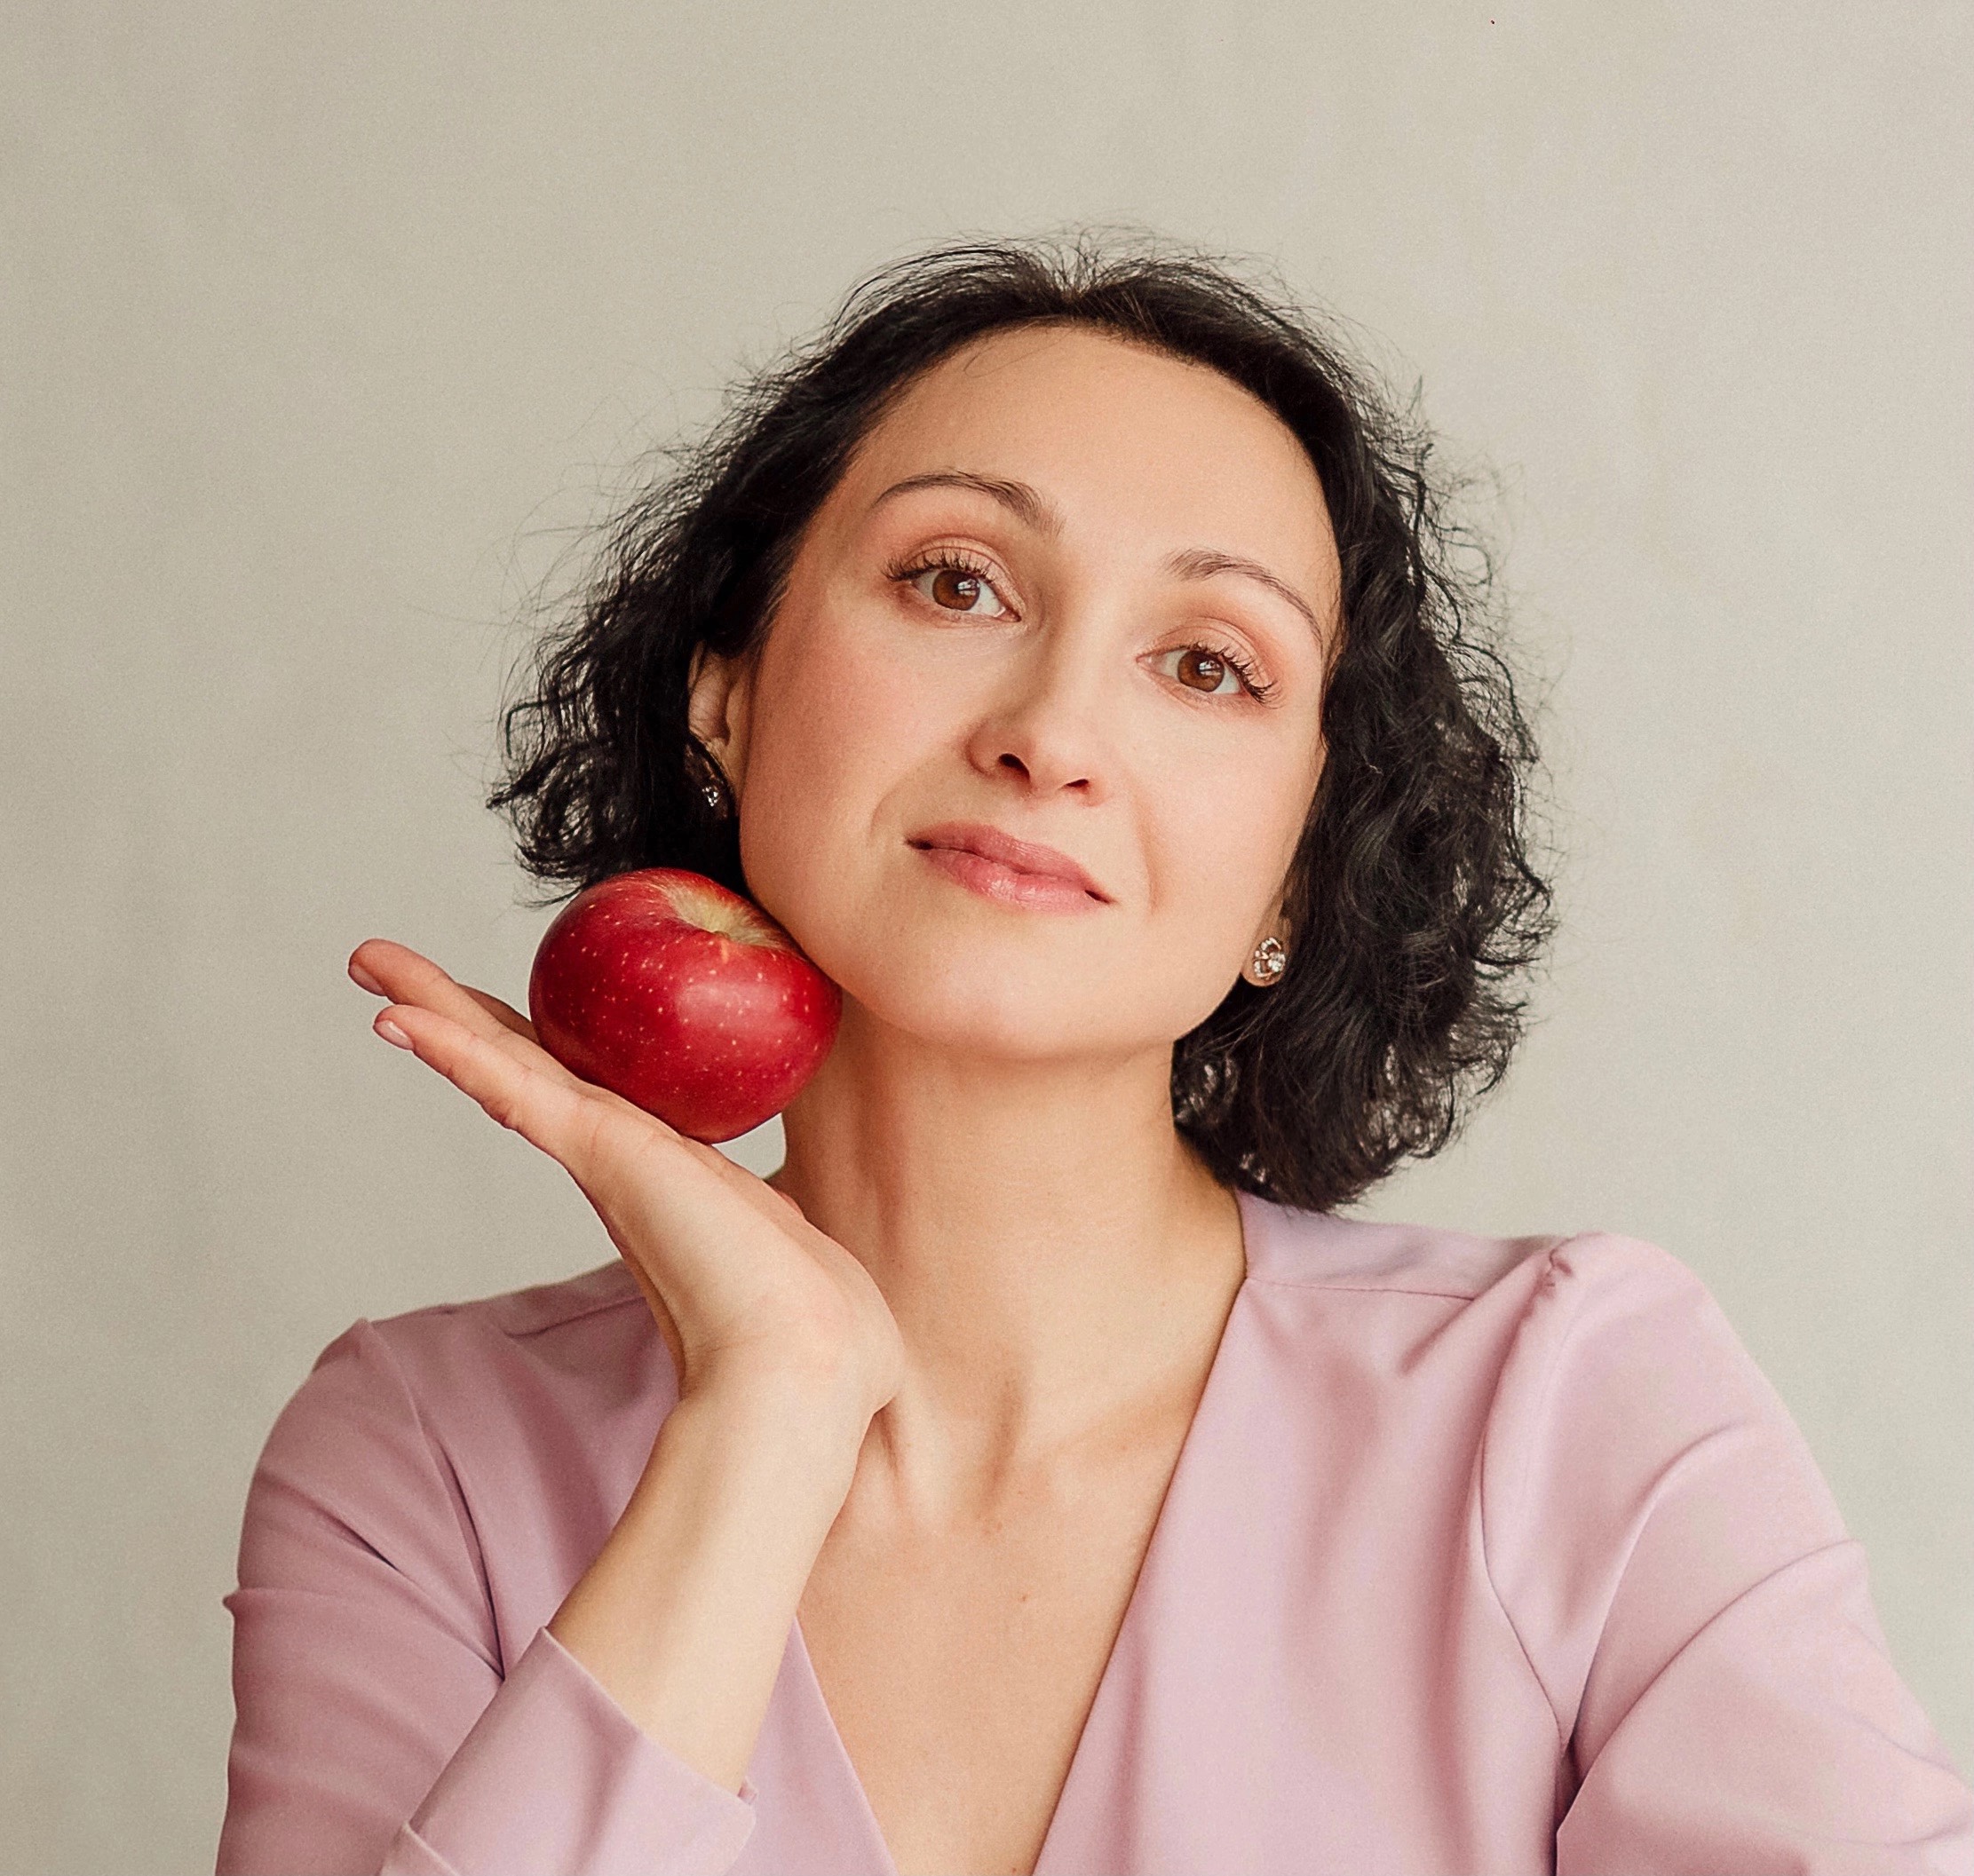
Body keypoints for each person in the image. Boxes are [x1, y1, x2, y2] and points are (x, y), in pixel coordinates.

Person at [217, 238, 1974, 1876]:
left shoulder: (1570, 1412)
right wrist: (765, 1410)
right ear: (725, 689)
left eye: (1206, 666)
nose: (1050, 731)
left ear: (1295, 861)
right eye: (955, 578)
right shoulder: (425, 1457)